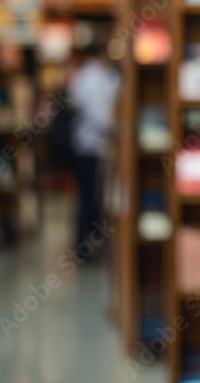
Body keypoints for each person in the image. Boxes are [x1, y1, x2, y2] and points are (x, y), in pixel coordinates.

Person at [68, 43, 121, 258]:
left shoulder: (99, 76)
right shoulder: (91, 78)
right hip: (89, 148)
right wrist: (118, 127)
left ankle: (90, 244)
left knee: (92, 199)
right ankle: (83, 247)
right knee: (89, 199)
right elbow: (99, 116)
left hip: (94, 147)